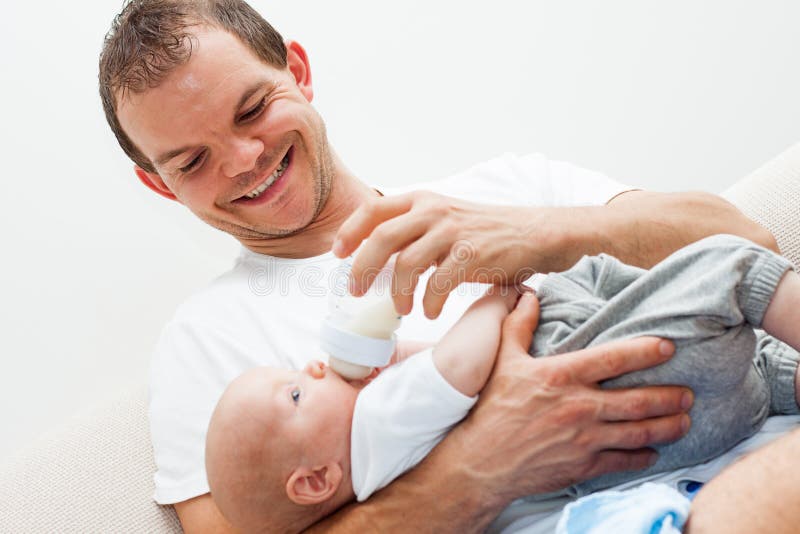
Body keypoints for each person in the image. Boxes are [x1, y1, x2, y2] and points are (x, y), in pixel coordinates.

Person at [98, 1, 780, 531]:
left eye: (253, 109)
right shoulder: (206, 346)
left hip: (762, 438)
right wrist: (485, 462)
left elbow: (747, 245)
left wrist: (544, 233)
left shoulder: (509, 189)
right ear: (162, 185)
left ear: (298, 73)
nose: (244, 159)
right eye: (191, 161)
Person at [204, 234, 800, 532]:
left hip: (642, 438)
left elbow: (432, 375)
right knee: (730, 265)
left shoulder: (374, 465)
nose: (310, 367)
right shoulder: (375, 421)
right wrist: (497, 294)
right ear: (314, 481)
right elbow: (457, 369)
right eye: (296, 393)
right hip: (616, 402)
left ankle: (775, 377)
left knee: (586, 277)